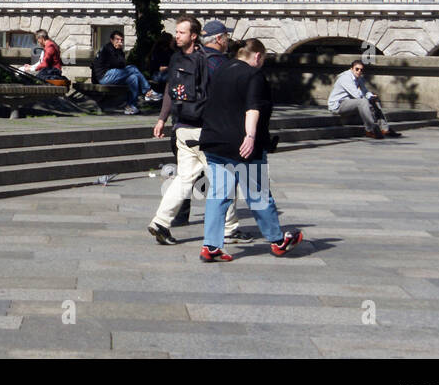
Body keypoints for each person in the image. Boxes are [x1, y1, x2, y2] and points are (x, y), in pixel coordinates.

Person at [198, 39, 304, 262]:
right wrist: (250, 136)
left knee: (218, 195)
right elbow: (253, 108)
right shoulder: (253, 75)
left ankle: (211, 246)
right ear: (257, 56)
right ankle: (277, 240)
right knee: (257, 194)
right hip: (241, 147)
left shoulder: (221, 70)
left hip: (214, 141)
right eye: (262, 59)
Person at [146, 16, 245, 246]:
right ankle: (230, 229)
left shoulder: (180, 59)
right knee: (225, 178)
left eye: (180, 32)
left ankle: (161, 221)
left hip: (182, 128)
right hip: (207, 130)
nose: (177, 36)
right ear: (219, 39)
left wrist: (162, 119)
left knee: (183, 179)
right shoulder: (216, 62)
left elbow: (171, 90)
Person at [91, 30, 160, 114]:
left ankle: (131, 106)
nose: (120, 42)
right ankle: (148, 91)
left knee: (133, 78)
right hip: (104, 76)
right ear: (112, 40)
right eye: (117, 39)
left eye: (121, 40)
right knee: (132, 68)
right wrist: (119, 56)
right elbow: (116, 63)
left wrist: (119, 53)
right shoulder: (107, 49)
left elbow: (122, 64)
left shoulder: (119, 51)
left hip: (114, 75)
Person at [328, 59, 399, 139]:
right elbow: (357, 95)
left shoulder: (359, 78)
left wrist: (371, 96)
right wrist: (368, 98)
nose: (359, 71)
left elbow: (365, 91)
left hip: (350, 103)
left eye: (361, 70)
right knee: (362, 101)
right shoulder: (345, 78)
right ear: (351, 69)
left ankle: (385, 129)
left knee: (374, 101)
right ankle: (370, 130)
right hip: (338, 105)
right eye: (357, 69)